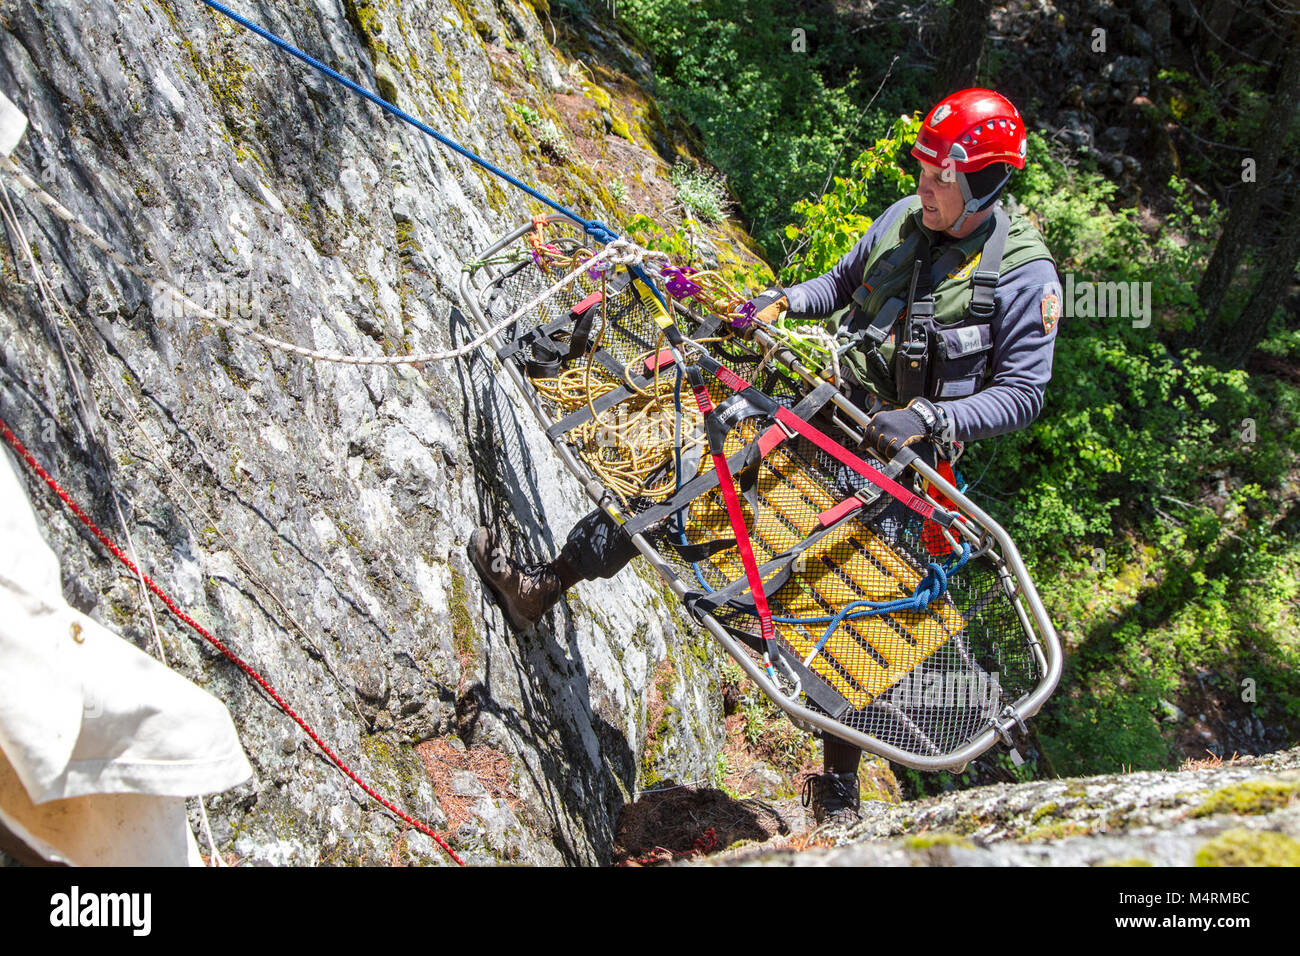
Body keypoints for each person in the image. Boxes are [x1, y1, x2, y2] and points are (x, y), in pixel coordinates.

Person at [469, 88, 1062, 826]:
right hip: (818, 413)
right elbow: (841, 286)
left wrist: (929, 416)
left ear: (987, 184)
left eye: (947, 177)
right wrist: (781, 301)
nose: (927, 187)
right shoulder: (903, 220)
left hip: (898, 467)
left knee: (853, 615)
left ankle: (838, 791)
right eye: (924, 169)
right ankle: (542, 588)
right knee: (682, 480)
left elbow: (1023, 394)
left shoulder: (1024, 276)